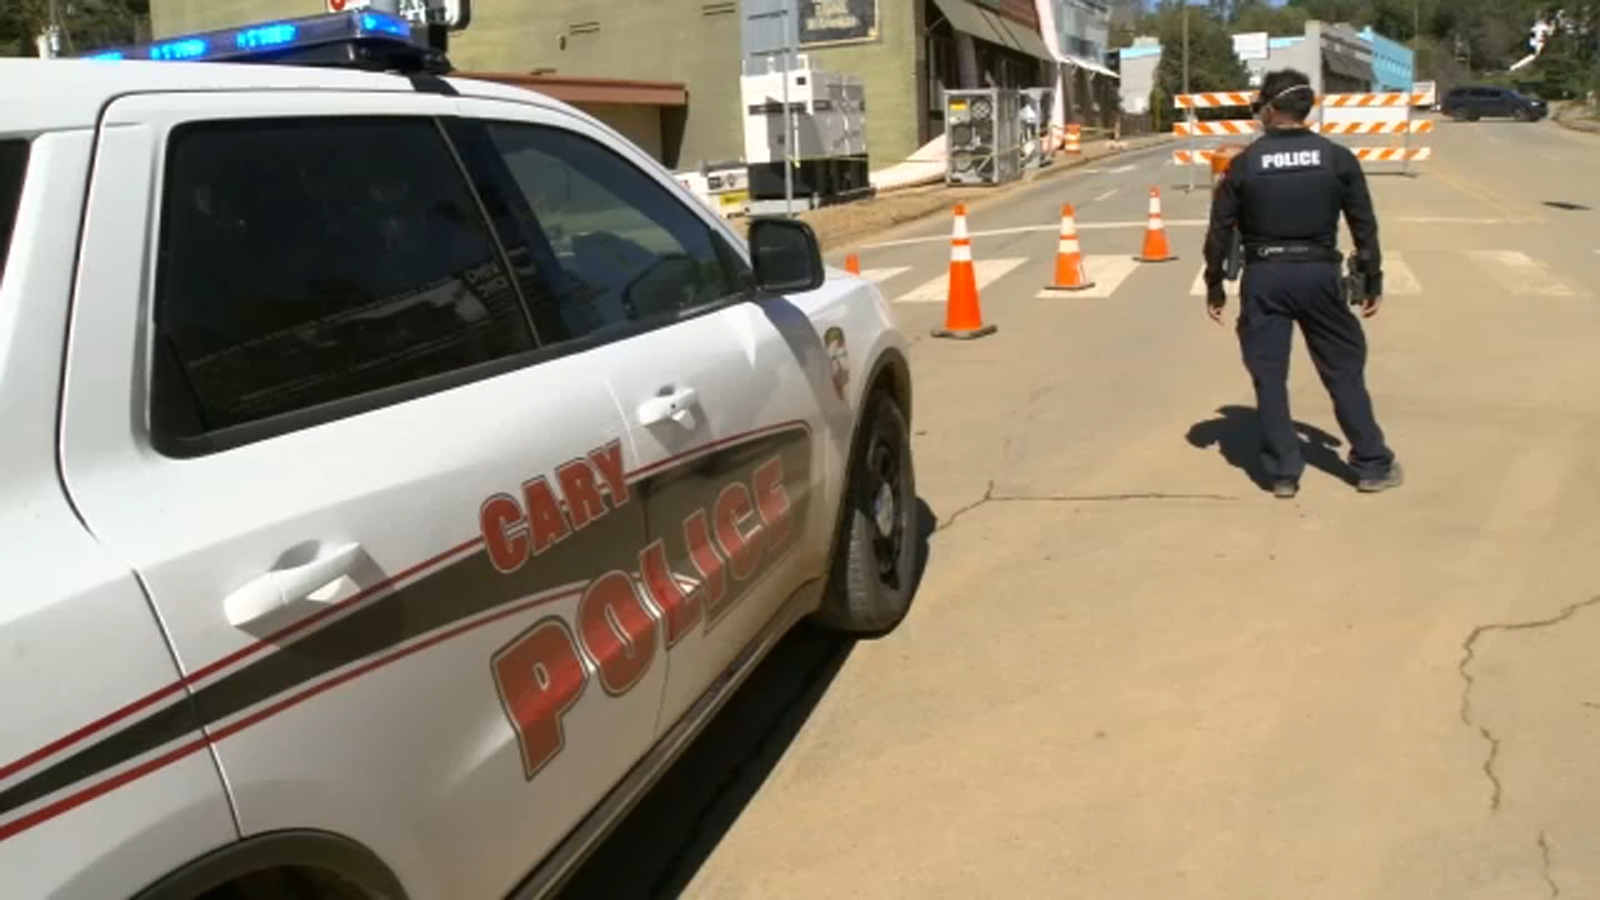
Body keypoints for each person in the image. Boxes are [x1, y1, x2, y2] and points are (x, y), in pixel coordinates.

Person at [1202, 68, 1403, 499]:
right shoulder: (1335, 158)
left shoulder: (1246, 163)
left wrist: (1215, 285)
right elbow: (1363, 224)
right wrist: (1372, 279)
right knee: (1344, 369)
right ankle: (1371, 464)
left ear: (1271, 108)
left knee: (1269, 375)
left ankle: (1282, 473)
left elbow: (1218, 230)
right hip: (1319, 277)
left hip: (1265, 278)